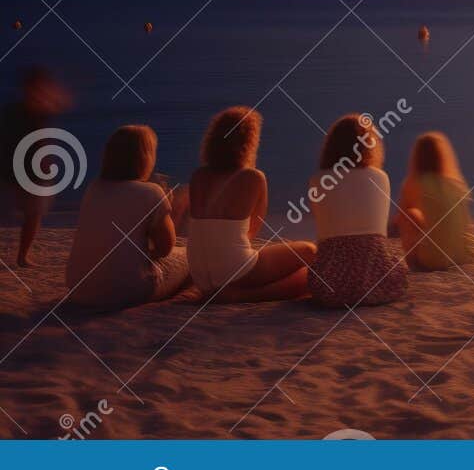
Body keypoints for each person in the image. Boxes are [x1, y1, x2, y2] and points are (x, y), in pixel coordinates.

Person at [187, 107, 316, 302]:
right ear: (249, 142)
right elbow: (253, 229)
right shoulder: (253, 177)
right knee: (309, 251)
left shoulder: (198, 176)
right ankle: (246, 295)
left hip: (198, 272)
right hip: (233, 269)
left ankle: (227, 289)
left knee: (280, 254)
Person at [64, 126, 190, 308]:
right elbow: (165, 248)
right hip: (127, 291)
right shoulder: (152, 192)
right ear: (145, 158)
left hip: (79, 288)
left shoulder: (94, 188)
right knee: (188, 255)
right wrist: (165, 205)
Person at [308, 114, 407, 307]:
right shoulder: (381, 177)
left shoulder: (317, 180)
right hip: (379, 282)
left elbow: (323, 231)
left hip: (332, 288)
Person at [2, 67, 72, 267]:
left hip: (32, 172)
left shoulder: (35, 110)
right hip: (14, 170)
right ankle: (22, 257)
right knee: (28, 214)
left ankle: (22, 257)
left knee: (33, 215)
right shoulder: (16, 111)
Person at [392, 132, 474, 271]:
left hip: (432, 261)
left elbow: (399, 218)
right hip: (464, 257)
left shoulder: (415, 182)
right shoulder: (456, 185)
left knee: (408, 214)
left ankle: (416, 262)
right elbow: (468, 226)